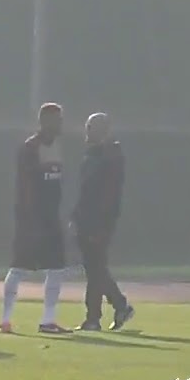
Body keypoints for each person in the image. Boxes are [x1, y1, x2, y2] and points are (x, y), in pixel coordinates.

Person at [1, 103, 72, 334]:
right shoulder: (30, 148)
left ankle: (48, 320)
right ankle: (6, 319)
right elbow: (26, 186)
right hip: (32, 218)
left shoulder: (58, 147)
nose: (61, 124)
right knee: (19, 266)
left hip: (51, 216)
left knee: (56, 267)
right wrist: (29, 219)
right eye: (57, 119)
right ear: (45, 121)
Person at [72, 112, 135, 331]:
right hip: (87, 219)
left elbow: (108, 195)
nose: (87, 131)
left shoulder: (110, 157)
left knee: (95, 268)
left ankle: (94, 317)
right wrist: (77, 216)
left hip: (99, 221)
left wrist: (101, 224)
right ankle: (119, 305)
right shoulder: (93, 155)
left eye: (92, 127)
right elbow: (85, 191)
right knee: (95, 268)